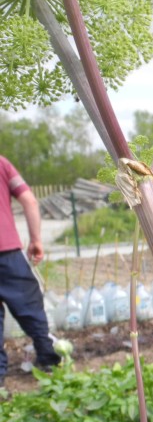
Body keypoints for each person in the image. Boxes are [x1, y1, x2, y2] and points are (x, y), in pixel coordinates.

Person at [0, 155, 61, 386]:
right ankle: (47, 359)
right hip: (6, 252)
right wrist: (36, 239)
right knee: (30, 307)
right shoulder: (2, 164)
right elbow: (29, 200)